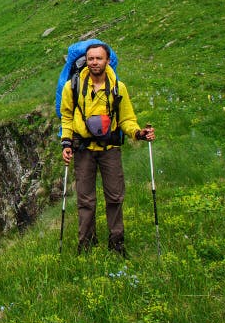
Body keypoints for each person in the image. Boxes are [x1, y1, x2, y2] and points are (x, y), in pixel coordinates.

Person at [60, 43, 155, 256]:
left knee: (115, 196)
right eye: (91, 58)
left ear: (108, 60)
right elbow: (66, 117)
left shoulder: (118, 88)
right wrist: (66, 143)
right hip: (83, 148)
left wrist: (138, 133)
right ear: (86, 60)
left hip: (110, 148)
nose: (94, 62)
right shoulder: (72, 87)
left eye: (99, 58)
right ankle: (86, 244)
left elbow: (127, 119)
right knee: (85, 198)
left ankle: (116, 243)